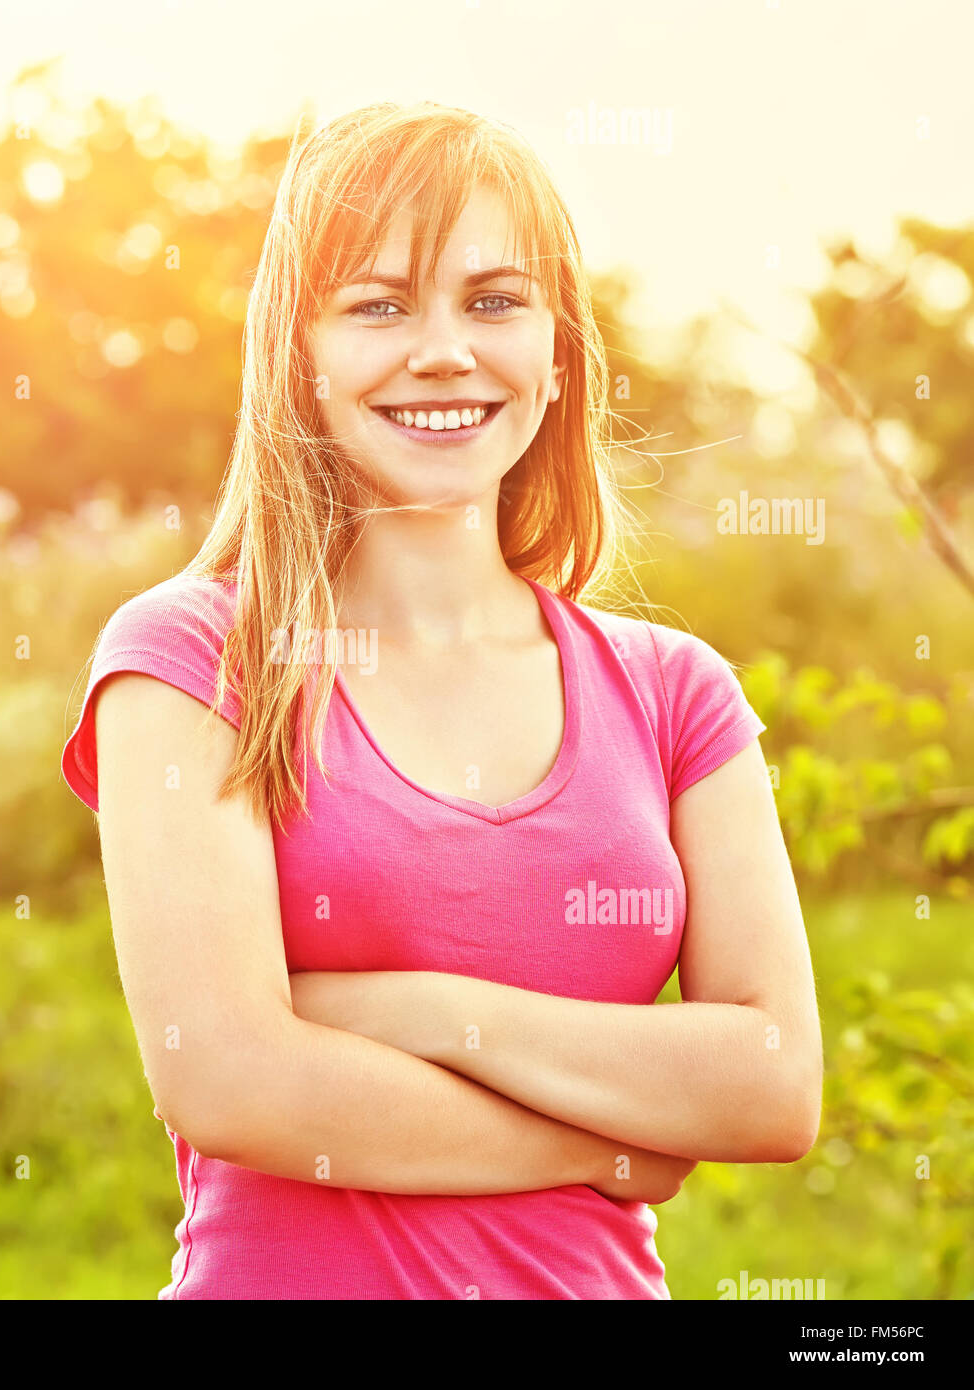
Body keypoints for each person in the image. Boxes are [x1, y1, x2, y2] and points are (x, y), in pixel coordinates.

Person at [62, 101, 822, 1300]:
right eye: (378, 305)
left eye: (494, 301)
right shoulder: (194, 656)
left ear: (558, 351)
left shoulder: (678, 694)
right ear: (297, 355)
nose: (443, 352)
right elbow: (230, 1083)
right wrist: (608, 1137)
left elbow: (772, 1083)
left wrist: (421, 1010)